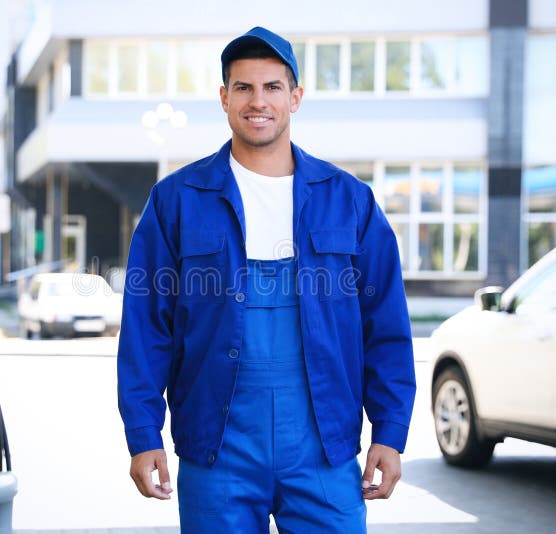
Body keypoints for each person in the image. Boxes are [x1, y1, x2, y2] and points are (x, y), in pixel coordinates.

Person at [117, 26, 416, 533]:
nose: (259, 101)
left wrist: (390, 431)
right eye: (244, 88)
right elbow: (147, 329)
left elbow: (384, 324)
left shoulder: (350, 201)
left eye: (273, 87)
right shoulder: (176, 201)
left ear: (295, 97)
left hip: (323, 450)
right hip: (218, 454)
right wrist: (144, 432)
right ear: (224, 98)